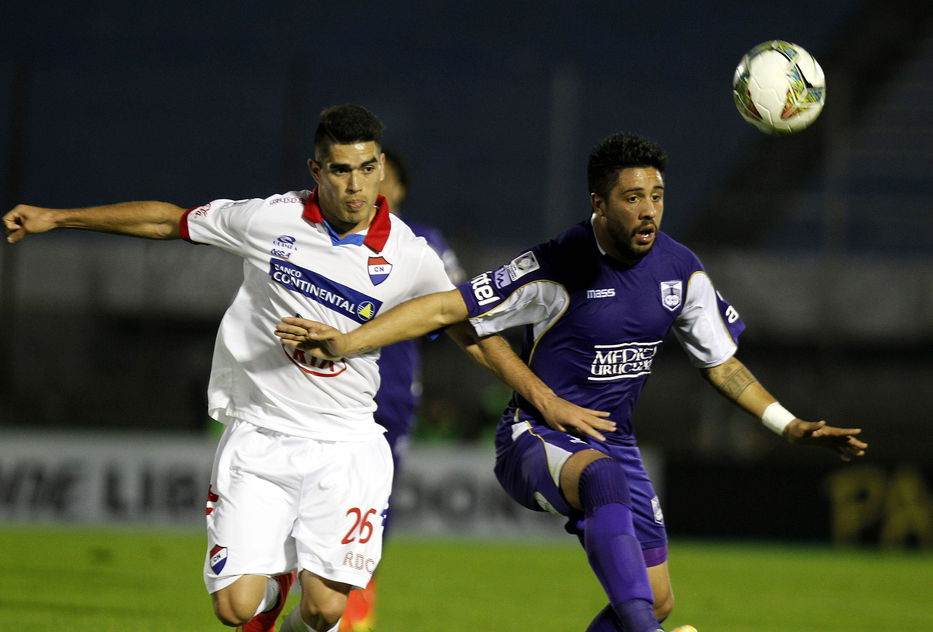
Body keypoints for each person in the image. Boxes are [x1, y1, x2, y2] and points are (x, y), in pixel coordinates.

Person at [2, 104, 611, 632]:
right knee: (235, 608)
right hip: (261, 435)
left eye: (368, 168)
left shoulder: (409, 254)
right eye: (341, 170)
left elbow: (468, 330)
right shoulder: (269, 220)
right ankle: (273, 585)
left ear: (382, 171)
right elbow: (169, 220)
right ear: (317, 171)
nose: (356, 185)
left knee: (324, 613)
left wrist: (544, 399)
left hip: (345, 445)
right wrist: (58, 217)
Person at [273, 132, 868, 632]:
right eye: (632, 197)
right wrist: (347, 342)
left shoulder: (681, 270)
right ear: (599, 203)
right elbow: (444, 309)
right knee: (608, 501)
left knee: (656, 600)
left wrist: (787, 425)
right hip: (535, 437)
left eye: (657, 196)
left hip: (615, 443)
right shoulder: (555, 265)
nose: (649, 211)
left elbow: (722, 364)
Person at [339, 148, 465, 632]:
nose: (364, 185)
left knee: (374, 504)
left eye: (376, 176)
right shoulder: (328, 239)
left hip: (389, 397)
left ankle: (356, 607)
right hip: (326, 391)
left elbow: (457, 308)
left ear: (399, 190)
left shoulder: (421, 244)